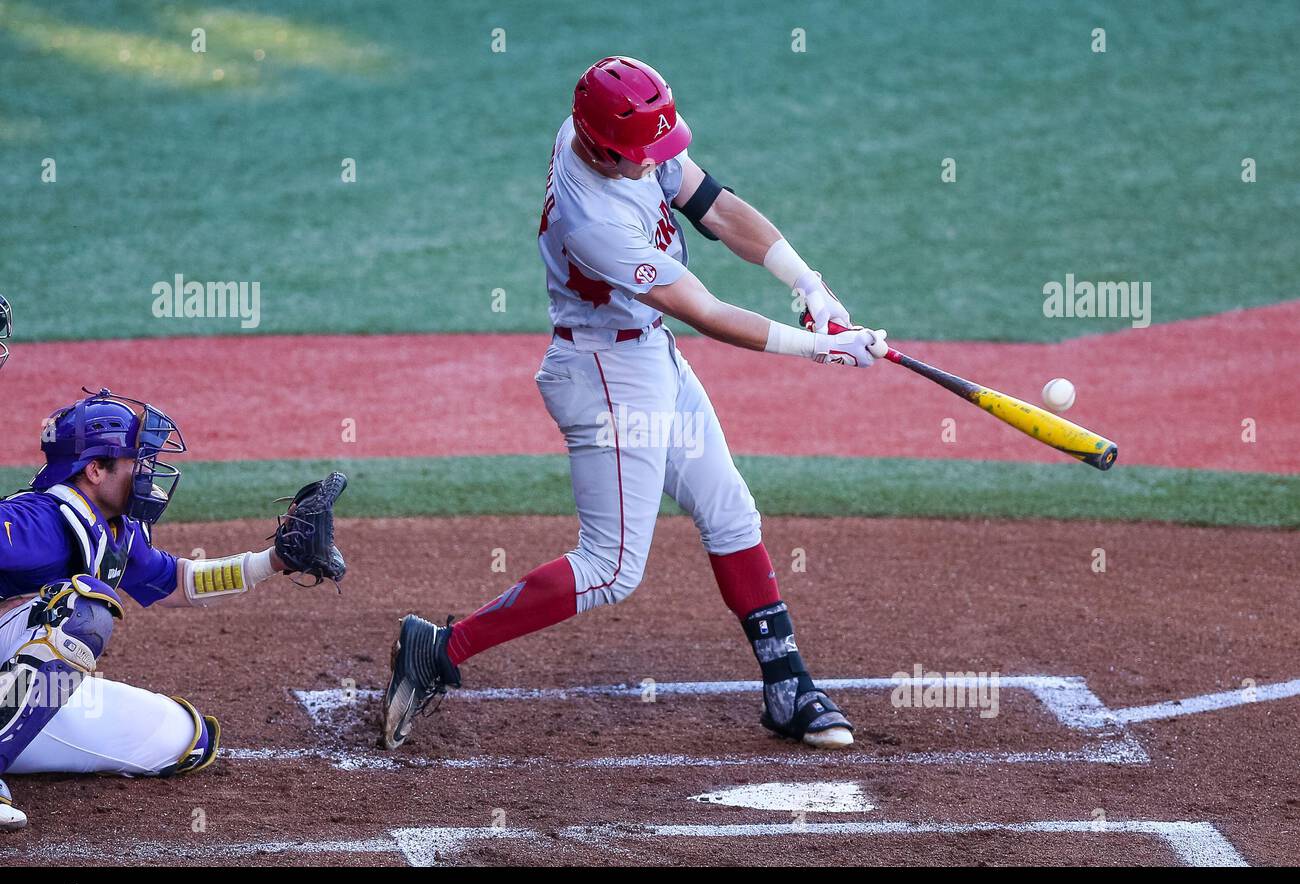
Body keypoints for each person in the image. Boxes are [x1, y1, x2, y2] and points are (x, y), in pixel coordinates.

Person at [380, 55, 885, 753]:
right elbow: (702, 310)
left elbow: (717, 208)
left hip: (646, 355)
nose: (656, 163)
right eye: (640, 155)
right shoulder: (595, 221)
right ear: (597, 145)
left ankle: (789, 686)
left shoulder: (617, 137)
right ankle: (439, 649)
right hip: (606, 372)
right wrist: (819, 349)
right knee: (611, 568)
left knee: (729, 510)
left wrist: (810, 287)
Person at [0, 388, 346, 831]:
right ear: (94, 469)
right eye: (137, 461)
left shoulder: (112, 532)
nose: (149, 472)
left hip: (17, 691)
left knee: (185, 738)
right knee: (80, 608)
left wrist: (274, 561)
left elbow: (178, 581)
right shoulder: (40, 519)